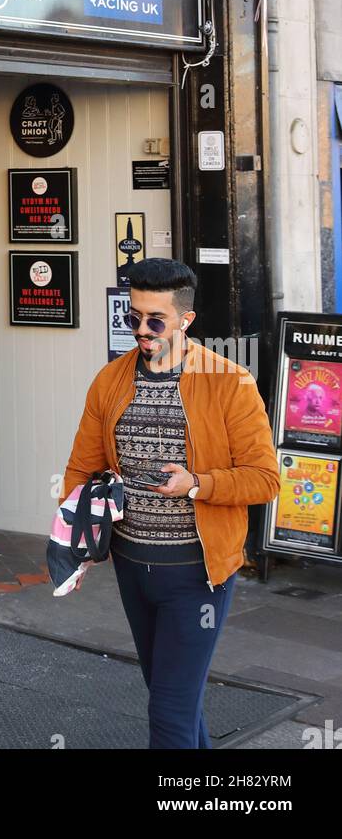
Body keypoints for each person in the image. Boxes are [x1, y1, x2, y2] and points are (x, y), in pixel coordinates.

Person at [60, 258, 280, 749]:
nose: (141, 329)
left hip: (196, 574)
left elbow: (264, 480)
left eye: (154, 319)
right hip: (132, 564)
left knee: (169, 711)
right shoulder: (110, 380)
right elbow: (81, 469)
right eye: (131, 317)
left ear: (185, 320)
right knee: (170, 697)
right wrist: (70, 548)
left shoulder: (230, 382)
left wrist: (196, 484)